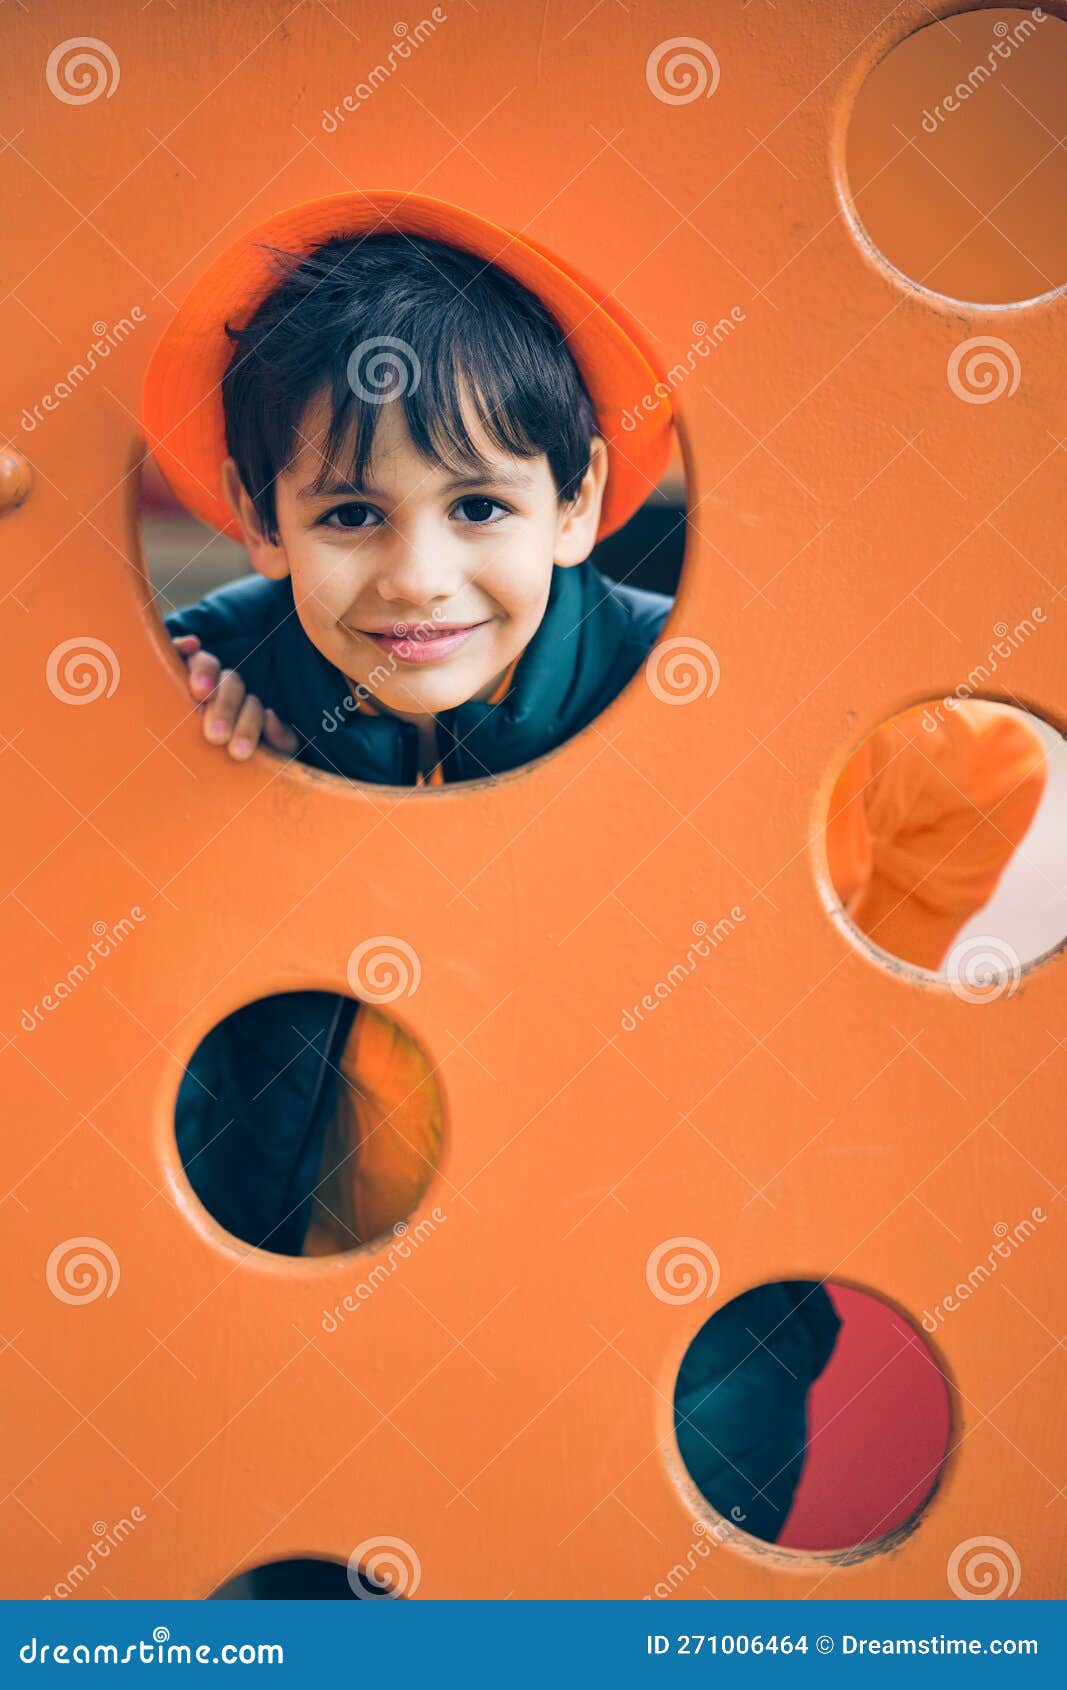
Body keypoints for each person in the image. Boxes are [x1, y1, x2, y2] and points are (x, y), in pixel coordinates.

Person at [142, 191, 1043, 1548]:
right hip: (316, 1313)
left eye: (481, 504)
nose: (418, 576)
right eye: (347, 515)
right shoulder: (193, 676)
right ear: (260, 527)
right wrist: (192, 765)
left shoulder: (683, 679)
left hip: (664, 1328)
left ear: (579, 507)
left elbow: (982, 766)